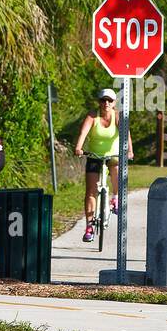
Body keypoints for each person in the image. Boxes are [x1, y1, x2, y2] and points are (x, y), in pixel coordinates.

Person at [74, 88, 133, 243]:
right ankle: (89, 226)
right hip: (94, 155)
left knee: (116, 168)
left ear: (114, 103)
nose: (106, 103)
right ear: (99, 102)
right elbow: (83, 132)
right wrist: (79, 147)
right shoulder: (92, 116)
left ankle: (115, 198)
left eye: (109, 100)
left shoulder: (118, 116)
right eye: (103, 100)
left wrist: (129, 151)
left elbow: (126, 134)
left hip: (113, 155)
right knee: (91, 191)